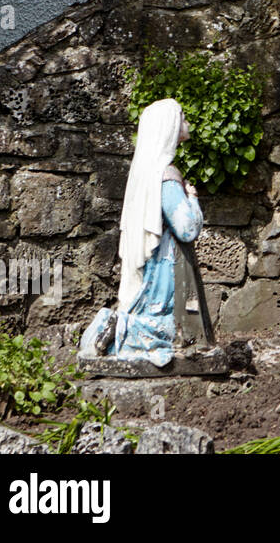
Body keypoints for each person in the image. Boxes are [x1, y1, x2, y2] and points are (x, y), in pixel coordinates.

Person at [79, 98, 204, 367]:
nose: (187, 123)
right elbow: (187, 228)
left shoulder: (146, 173)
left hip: (153, 265)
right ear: (168, 127)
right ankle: (121, 329)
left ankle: (118, 326)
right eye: (182, 118)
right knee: (169, 324)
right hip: (164, 266)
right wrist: (192, 199)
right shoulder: (167, 175)